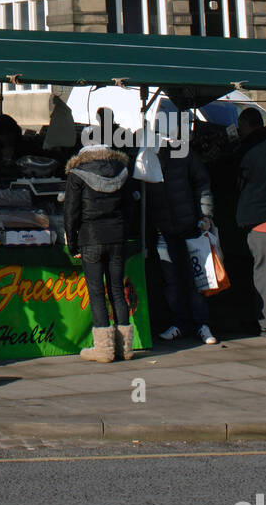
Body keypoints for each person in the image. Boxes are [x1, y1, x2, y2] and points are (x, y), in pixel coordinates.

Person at [63, 143, 137, 362]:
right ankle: (124, 348)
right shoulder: (122, 172)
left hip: (90, 238)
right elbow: (130, 207)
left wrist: (73, 244)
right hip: (117, 238)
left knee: (96, 292)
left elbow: (70, 213)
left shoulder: (77, 175)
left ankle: (104, 350)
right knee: (116, 289)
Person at [148, 133, 217, 345]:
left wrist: (205, 215)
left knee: (194, 277)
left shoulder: (182, 153)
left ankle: (201, 324)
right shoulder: (145, 156)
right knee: (171, 280)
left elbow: (201, 183)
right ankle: (180, 322)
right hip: (163, 227)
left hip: (188, 224)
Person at [235, 107, 266, 338]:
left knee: (264, 275)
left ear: (246, 126)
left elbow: (239, 182)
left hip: (260, 220)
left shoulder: (247, 152)